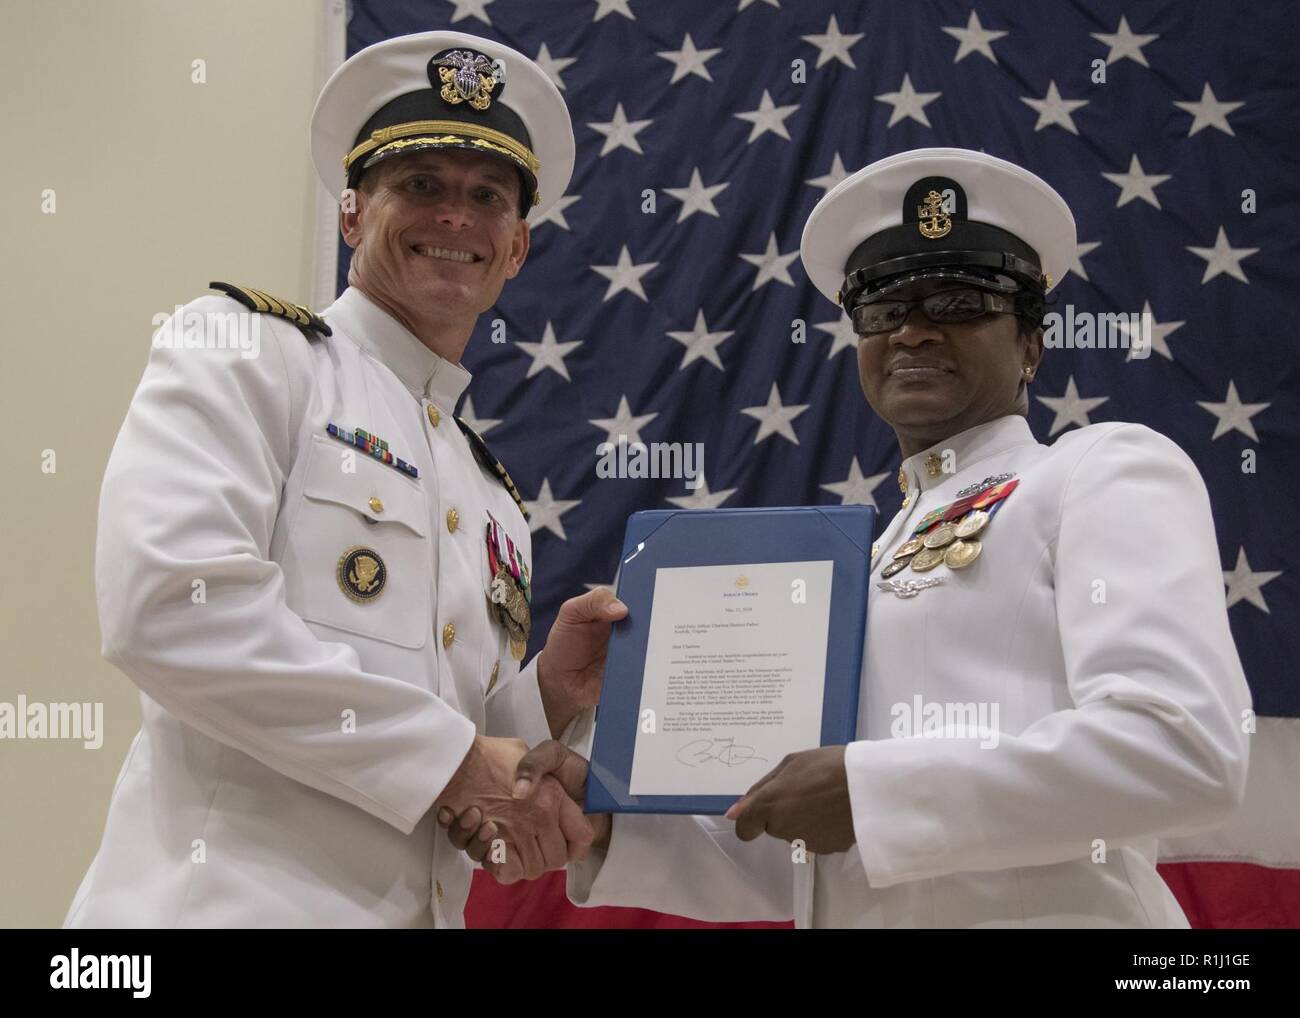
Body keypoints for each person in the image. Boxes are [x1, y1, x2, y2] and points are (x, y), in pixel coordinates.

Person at [445, 147, 1252, 928]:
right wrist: (608, 821)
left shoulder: (1097, 472)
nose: (915, 332)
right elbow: (813, 847)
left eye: (961, 304)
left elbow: (1182, 746)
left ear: (1032, 345)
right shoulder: (855, 566)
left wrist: (871, 793)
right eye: (885, 309)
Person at [64, 30, 625, 929]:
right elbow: (169, 608)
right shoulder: (243, 349)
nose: (455, 217)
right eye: (421, 186)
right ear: (353, 213)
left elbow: (457, 741)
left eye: (486, 197)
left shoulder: (492, 498)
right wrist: (454, 761)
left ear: (515, 248)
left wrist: (547, 694)